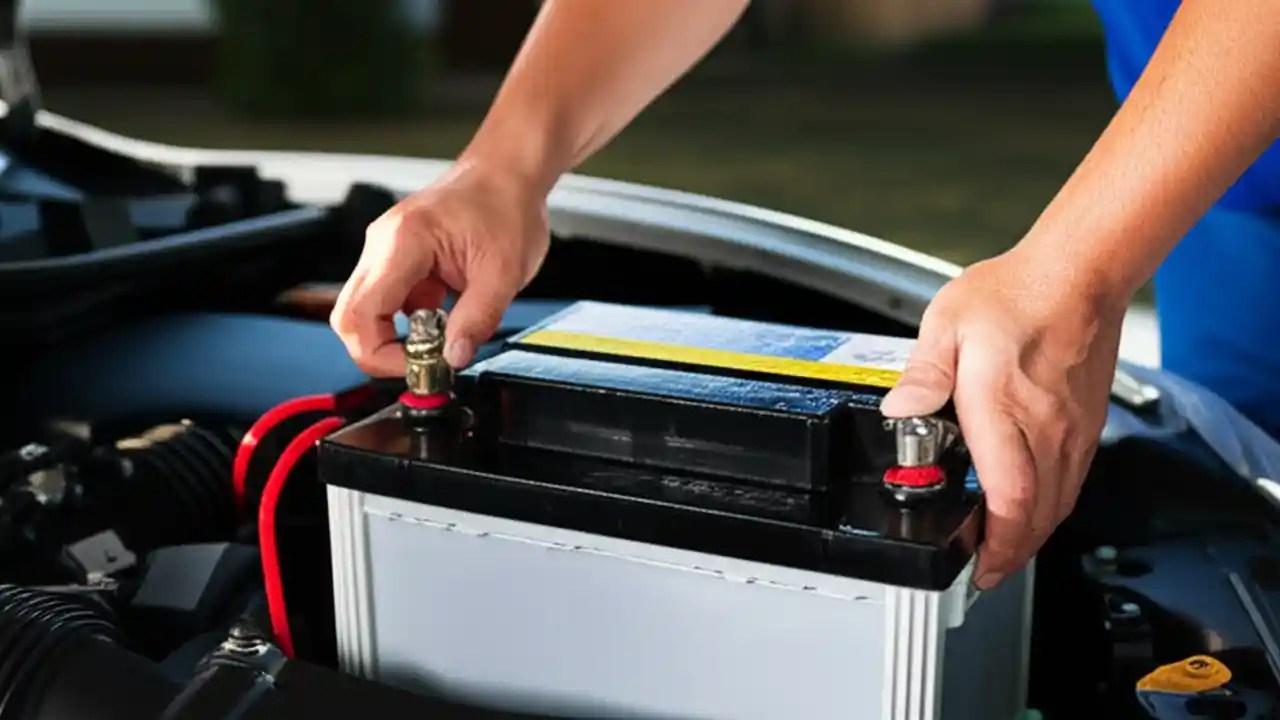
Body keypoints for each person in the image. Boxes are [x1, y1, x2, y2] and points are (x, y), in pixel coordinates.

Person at [329, 1, 1280, 590]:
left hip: (1187, 167)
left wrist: (1077, 268)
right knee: (1242, 540)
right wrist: (505, 166)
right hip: (1220, 194)